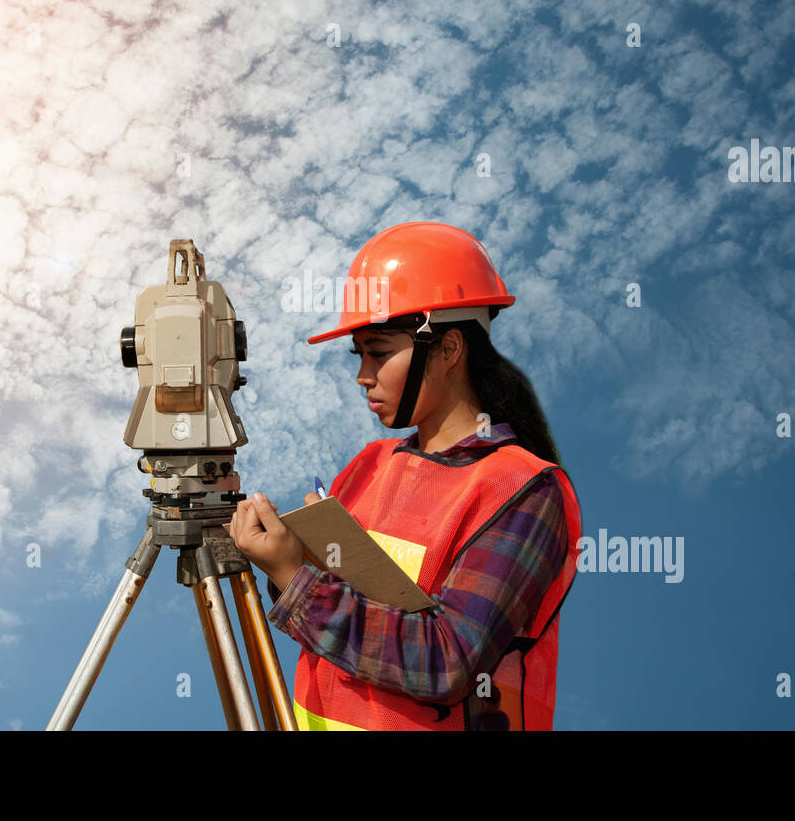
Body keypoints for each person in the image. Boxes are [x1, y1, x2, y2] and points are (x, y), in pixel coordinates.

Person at [227, 221, 583, 730]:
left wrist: (294, 578)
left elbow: (449, 663)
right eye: (360, 355)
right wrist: (285, 557)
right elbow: (343, 621)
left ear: (449, 348)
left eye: (378, 352)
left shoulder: (522, 490)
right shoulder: (370, 465)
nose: (362, 376)